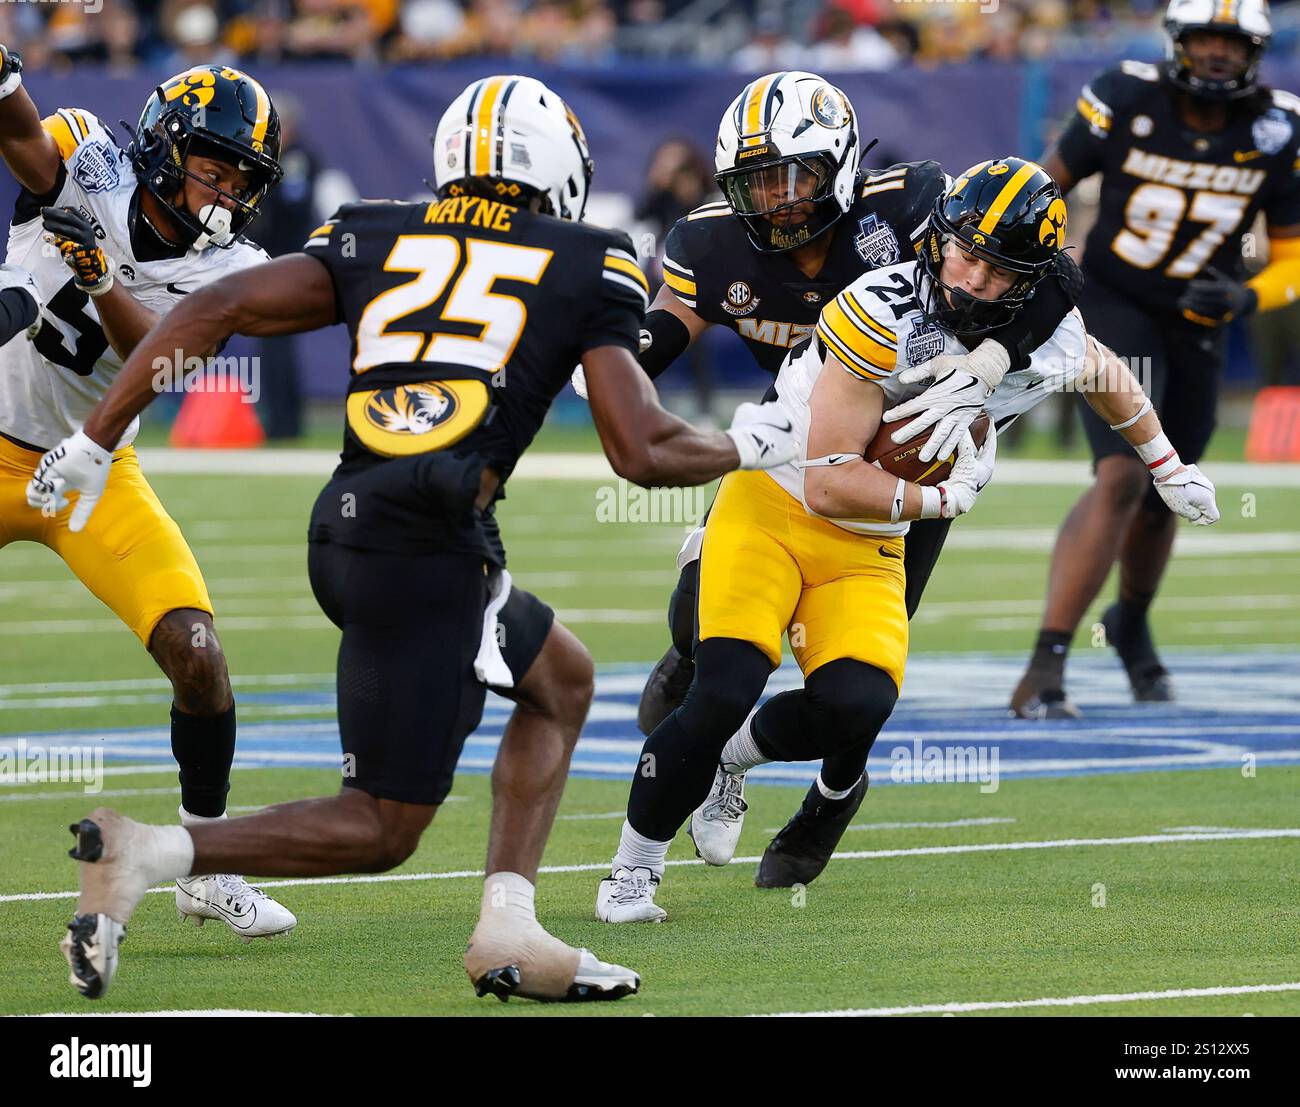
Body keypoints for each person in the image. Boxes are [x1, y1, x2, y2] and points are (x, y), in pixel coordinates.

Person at [38, 74, 801, 1003]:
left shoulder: (376, 230)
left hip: (356, 527)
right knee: (382, 826)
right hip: (425, 550)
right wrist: (747, 444)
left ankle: (507, 923)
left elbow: (214, 311)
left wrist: (93, 437)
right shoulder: (591, 258)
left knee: (559, 679)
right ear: (559, 167)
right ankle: (149, 852)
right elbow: (637, 450)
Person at [599, 159, 1220, 920]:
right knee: (724, 682)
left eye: (997, 269)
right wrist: (943, 494)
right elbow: (829, 478)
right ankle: (631, 872)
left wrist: (1166, 465)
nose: (968, 276)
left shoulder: (1046, 326)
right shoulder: (882, 305)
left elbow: (1103, 372)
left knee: (858, 702)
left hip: (872, 541)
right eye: (961, 251)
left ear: (1029, 281)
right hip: (780, 501)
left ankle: (734, 759)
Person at [633, 70, 1084, 736]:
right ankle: (685, 658)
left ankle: (826, 798)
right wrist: (606, 358)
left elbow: (1058, 277)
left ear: (840, 165)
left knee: (871, 650)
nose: (778, 203)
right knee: (699, 613)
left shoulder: (907, 207)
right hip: (796, 413)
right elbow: (659, 330)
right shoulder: (713, 242)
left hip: (915, 425)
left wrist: (991, 357)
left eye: (795, 179)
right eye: (758, 184)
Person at [1, 52, 297, 938]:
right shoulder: (90, 151)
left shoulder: (235, 267)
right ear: (167, 148)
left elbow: (161, 360)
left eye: (244, 179)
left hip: (92, 472)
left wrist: (98, 280)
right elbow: (21, 133)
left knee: (198, 653)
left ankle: (203, 859)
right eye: (215, 167)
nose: (227, 193)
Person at [1011, 0, 1300, 717]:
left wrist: (1246, 299)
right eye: (1206, 38)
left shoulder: (1276, 127)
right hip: (1114, 302)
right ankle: (1047, 662)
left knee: (1169, 489)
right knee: (1120, 477)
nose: (1217, 54)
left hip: (1199, 318)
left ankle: (1132, 625)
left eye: (1233, 43)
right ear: (1178, 41)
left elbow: (1293, 253)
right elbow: (1045, 185)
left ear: (1254, 53)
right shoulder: (1126, 96)